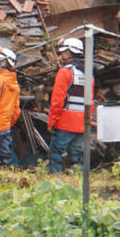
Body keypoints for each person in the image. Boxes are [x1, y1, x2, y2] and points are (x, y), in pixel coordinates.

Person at [46, 37, 88, 172]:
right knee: (77, 157)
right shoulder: (88, 74)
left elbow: (57, 101)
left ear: (70, 53)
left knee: (56, 154)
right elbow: (90, 102)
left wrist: (52, 121)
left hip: (65, 122)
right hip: (81, 123)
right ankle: (78, 182)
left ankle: (53, 182)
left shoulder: (65, 72)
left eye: (63, 52)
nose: (61, 55)